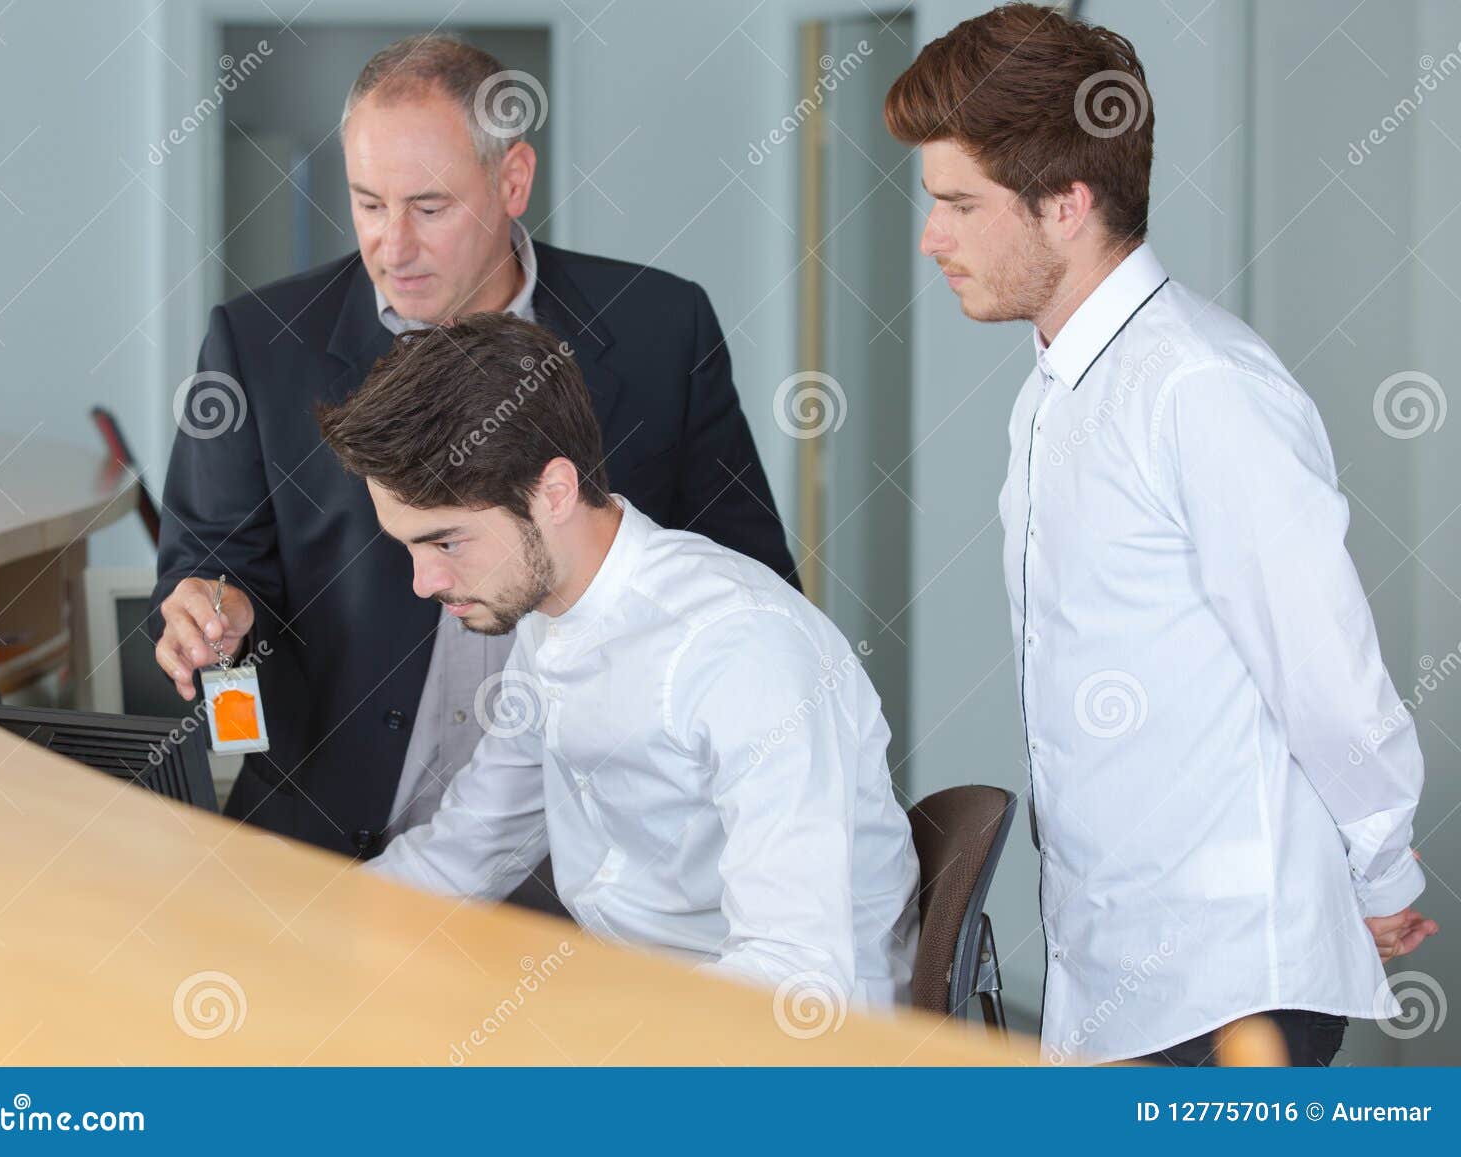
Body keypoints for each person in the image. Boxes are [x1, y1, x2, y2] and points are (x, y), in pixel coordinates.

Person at [885, 2, 1435, 1065]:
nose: (931, 238)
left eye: (959, 204)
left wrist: (1378, 873)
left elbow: (1324, 663)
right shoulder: (1052, 393)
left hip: (1226, 986)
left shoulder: (1200, 385)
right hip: (1115, 970)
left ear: (1066, 203)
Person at [151, 36, 797, 882]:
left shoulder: (661, 331)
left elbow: (751, 582)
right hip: (330, 844)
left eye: (430, 207)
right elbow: (207, 563)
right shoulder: (258, 343)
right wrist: (215, 617)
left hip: (587, 859)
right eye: (369, 203)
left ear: (513, 180)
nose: (392, 247)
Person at [316, 311, 920, 1011]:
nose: (424, 583)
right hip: (644, 1002)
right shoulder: (549, 615)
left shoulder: (740, 645)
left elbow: (794, 970)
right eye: (409, 546)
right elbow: (471, 845)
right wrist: (301, 931)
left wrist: (589, 1029)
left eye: (447, 542)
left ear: (554, 493)